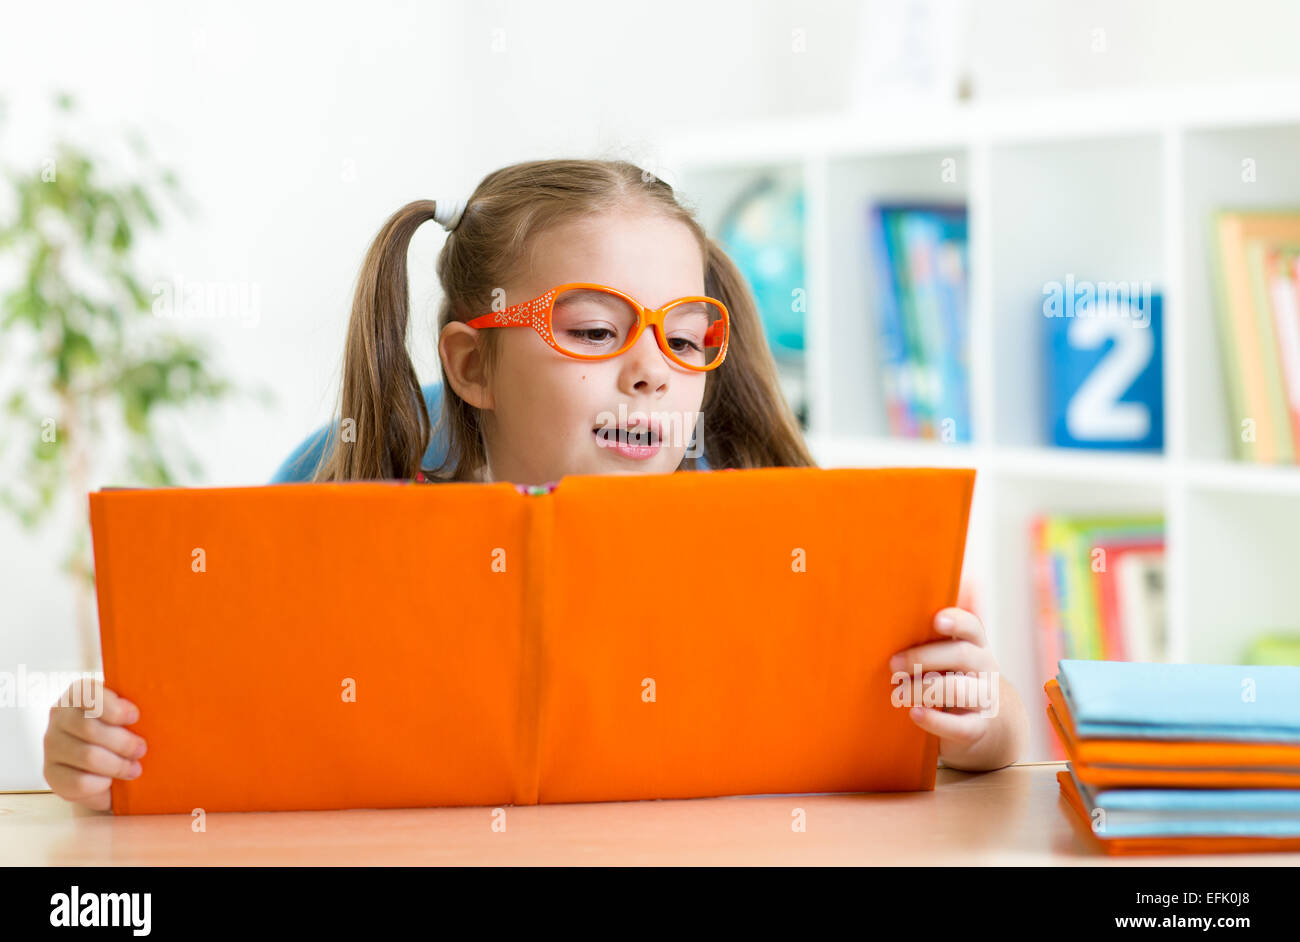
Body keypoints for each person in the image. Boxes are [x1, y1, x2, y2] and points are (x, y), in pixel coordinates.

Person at [44, 159, 1027, 811]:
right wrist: (101, 751)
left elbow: (975, 744)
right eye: (595, 331)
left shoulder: (757, 503)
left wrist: (979, 720)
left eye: (684, 338)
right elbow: (203, 714)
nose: (650, 369)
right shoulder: (346, 473)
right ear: (473, 367)